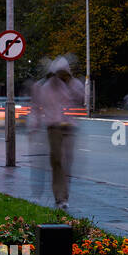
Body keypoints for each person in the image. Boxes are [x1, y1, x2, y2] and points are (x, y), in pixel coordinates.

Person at [31, 57, 85, 209]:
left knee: (66, 163)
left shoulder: (74, 85)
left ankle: (64, 196)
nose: (62, 77)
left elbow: (81, 100)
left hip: (70, 127)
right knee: (57, 161)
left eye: (65, 74)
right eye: (59, 74)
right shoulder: (45, 87)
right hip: (53, 127)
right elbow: (36, 107)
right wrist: (35, 125)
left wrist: (71, 84)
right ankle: (59, 197)